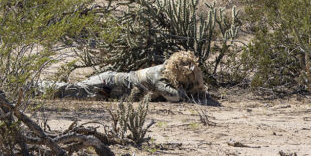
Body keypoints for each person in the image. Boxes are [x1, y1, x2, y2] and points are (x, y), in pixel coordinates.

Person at [41, 50, 207, 102]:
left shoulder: (165, 70)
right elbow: (175, 97)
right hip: (106, 85)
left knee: (72, 89)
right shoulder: (159, 77)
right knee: (67, 91)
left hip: (110, 80)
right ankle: (34, 87)